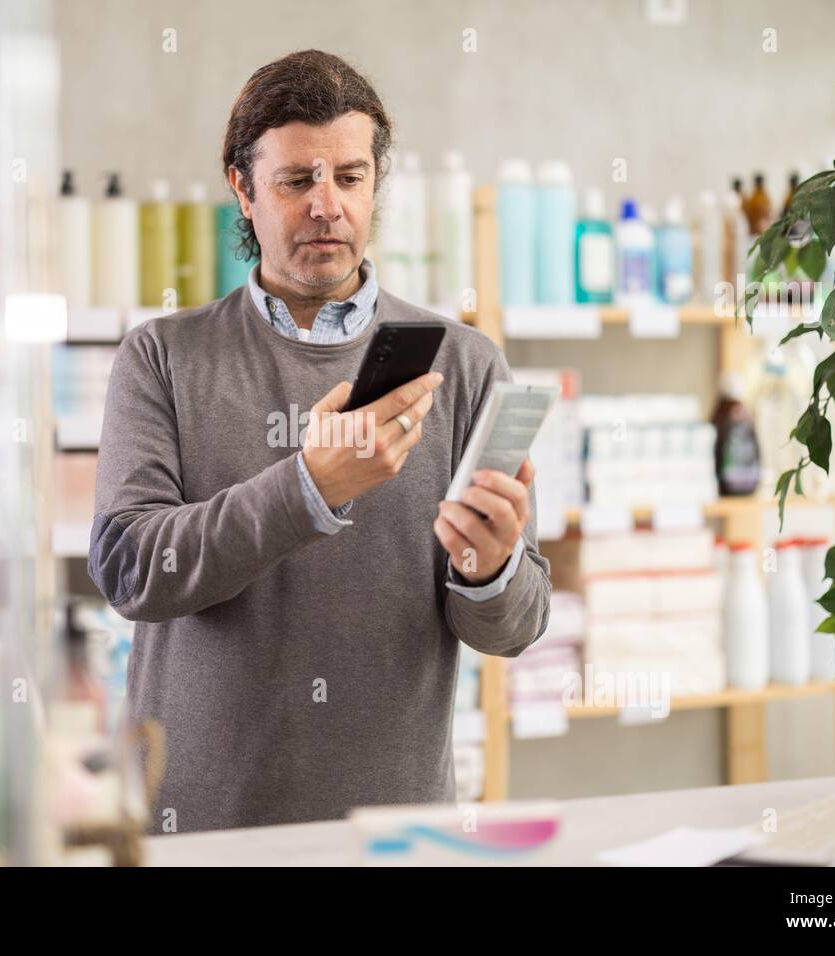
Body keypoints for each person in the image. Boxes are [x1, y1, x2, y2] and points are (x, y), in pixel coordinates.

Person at [89, 49, 552, 834]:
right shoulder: (162, 358)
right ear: (242, 186)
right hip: (202, 833)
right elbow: (132, 569)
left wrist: (491, 568)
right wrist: (309, 487)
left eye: (350, 176)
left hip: (397, 835)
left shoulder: (464, 364)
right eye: (297, 180)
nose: (326, 205)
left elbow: (516, 626)